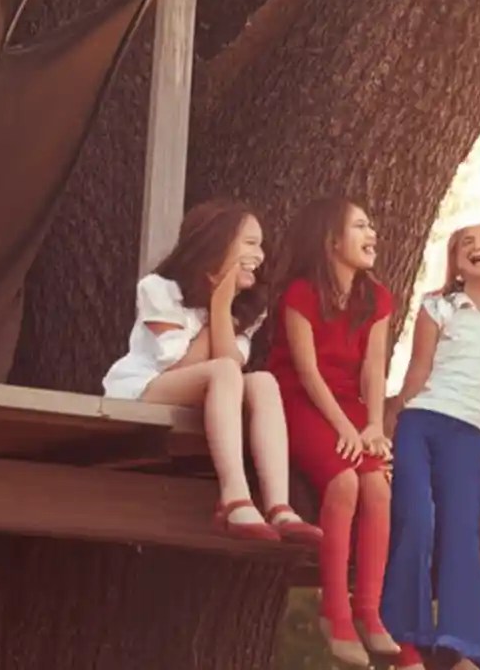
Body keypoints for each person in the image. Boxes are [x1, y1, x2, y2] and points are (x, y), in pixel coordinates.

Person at [102, 200, 322, 546]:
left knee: (263, 381)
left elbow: (230, 363)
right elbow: (182, 366)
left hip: (209, 392)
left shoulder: (248, 310)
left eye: (261, 245)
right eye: (250, 243)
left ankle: (279, 506)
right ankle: (234, 498)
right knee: (223, 371)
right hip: (146, 388)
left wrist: (224, 306)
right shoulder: (159, 289)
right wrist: (217, 304)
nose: (260, 255)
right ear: (217, 244)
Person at [381, 208, 480, 670]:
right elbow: (418, 374)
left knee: (462, 531)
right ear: (455, 260)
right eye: (465, 241)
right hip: (420, 422)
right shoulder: (438, 306)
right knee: (417, 518)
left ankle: (465, 646)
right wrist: (386, 418)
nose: (475, 245)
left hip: (469, 433)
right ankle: (401, 635)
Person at [266, 196, 399, 667]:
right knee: (343, 481)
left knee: (377, 487)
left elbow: (374, 370)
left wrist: (374, 426)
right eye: (361, 226)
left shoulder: (377, 297)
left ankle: (369, 610)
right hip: (300, 399)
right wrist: (345, 427)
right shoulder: (300, 294)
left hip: (350, 406)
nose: (372, 235)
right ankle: (334, 611)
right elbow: (306, 372)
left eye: (371, 227)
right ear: (331, 241)